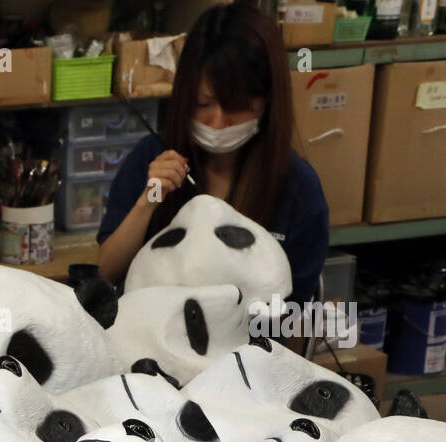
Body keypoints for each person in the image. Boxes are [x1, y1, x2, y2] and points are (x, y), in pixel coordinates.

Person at [97, 1, 329, 305]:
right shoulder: (151, 156)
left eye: (236, 107)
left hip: (250, 347)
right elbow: (103, 274)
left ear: (268, 102)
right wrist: (149, 200)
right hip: (151, 340)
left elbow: (292, 316)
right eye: (202, 104)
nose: (217, 122)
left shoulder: (298, 189)